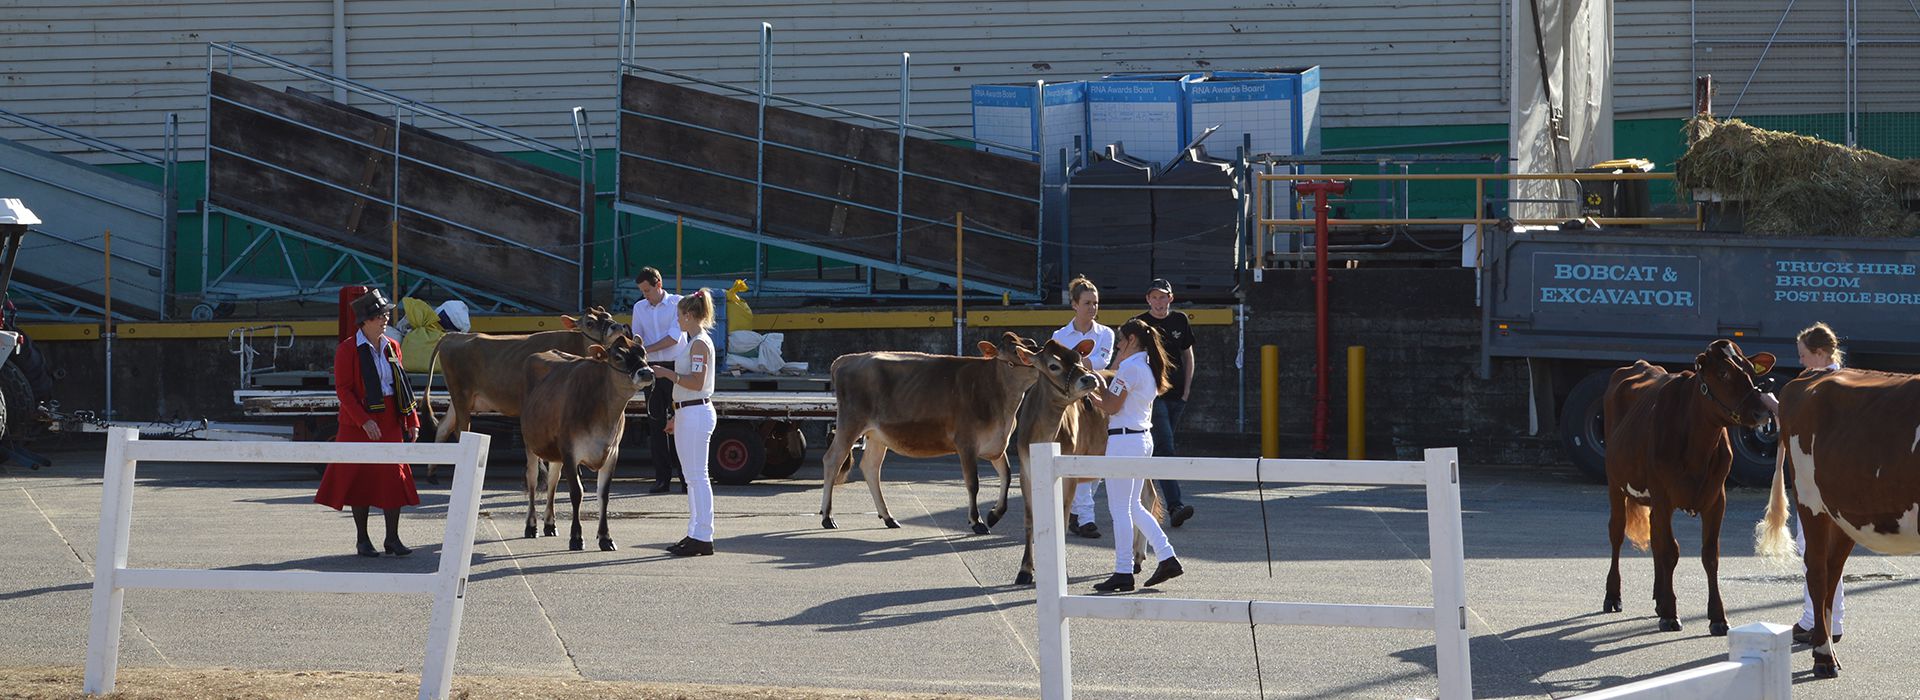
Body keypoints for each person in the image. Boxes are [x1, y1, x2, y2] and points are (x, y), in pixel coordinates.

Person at [315, 288, 421, 558]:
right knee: (358, 478)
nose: (385, 319)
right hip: (356, 423)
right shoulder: (347, 349)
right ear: (365, 321)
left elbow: (401, 385)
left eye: (385, 314)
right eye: (379, 315)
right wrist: (363, 420)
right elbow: (343, 390)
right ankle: (362, 540)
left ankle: (392, 539)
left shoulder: (393, 345)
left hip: (389, 418)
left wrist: (411, 418)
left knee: (393, 477)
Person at [1087, 318, 1185, 592]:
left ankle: (1123, 570)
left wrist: (1098, 385)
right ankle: (1166, 556)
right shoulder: (1147, 367)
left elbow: (1112, 406)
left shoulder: (1129, 368)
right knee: (1133, 506)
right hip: (1140, 438)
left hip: (1124, 441)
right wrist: (1101, 393)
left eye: (1121, 339)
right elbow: (1116, 404)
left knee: (1120, 509)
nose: (1118, 345)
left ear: (1131, 340)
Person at [1772, 322, 1847, 644]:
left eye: (1803, 355)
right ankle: (1830, 619)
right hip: (1834, 477)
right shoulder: (1841, 380)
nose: (1800, 361)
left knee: (1814, 552)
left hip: (1818, 481)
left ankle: (1817, 619)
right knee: (1828, 554)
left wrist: (1772, 405)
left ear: (1819, 353)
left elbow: (1799, 424)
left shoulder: (1820, 384)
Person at [651, 289, 719, 556]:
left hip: (695, 412)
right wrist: (676, 415)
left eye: (679, 316)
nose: (677, 320)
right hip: (688, 412)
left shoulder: (699, 343)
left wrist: (667, 373)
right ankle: (696, 533)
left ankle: (703, 535)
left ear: (689, 315)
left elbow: (697, 382)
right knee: (693, 477)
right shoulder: (695, 342)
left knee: (697, 477)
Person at [1053, 275, 1114, 539]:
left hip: (1097, 402)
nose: (1093, 307)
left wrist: (1074, 364)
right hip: (1069, 403)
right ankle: (1086, 517)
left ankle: (1078, 512)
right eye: (1087, 303)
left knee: (1098, 455)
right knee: (1076, 453)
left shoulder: (1106, 333)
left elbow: (1102, 361)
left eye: (1095, 303)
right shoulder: (1059, 336)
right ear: (1075, 305)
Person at [1134, 278, 1197, 527]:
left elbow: (1188, 355)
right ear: (1148, 299)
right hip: (1154, 396)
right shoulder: (1140, 324)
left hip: (1177, 395)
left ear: (1171, 298)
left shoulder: (1180, 320)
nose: (1159, 302)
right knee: (1166, 448)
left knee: (1157, 449)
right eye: (1154, 297)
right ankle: (1175, 505)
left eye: (1163, 297)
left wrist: (1187, 390)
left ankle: (1145, 499)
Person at [632, 267, 687, 494]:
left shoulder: (677, 303)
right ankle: (662, 479)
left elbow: (674, 338)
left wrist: (645, 349)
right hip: (652, 369)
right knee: (656, 424)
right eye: (642, 291)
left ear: (659, 285)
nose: (645, 295)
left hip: (676, 368)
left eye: (647, 290)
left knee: (681, 422)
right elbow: (637, 336)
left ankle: (685, 478)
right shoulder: (639, 307)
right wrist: (637, 347)